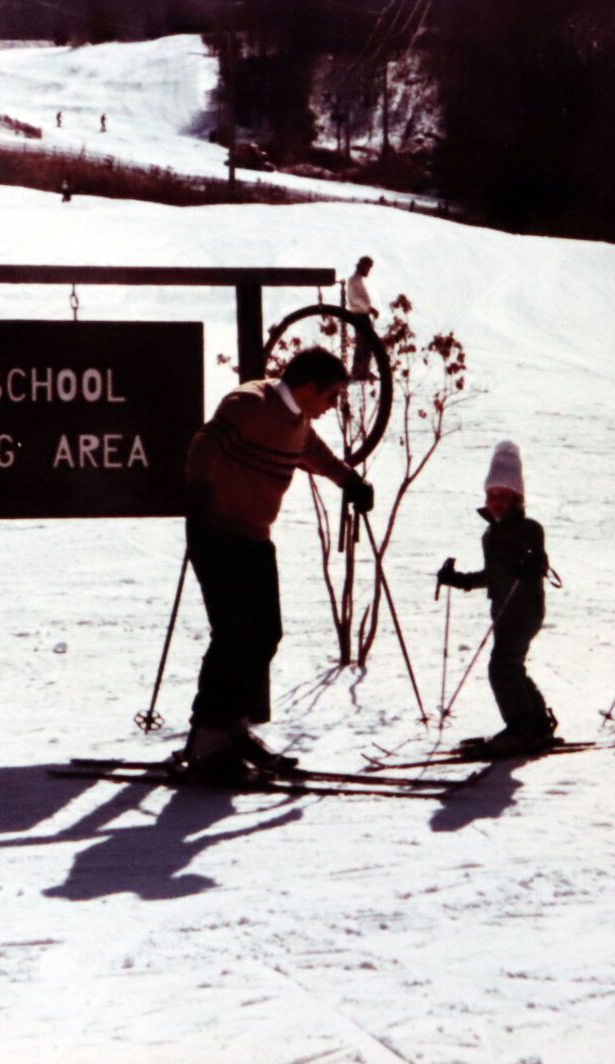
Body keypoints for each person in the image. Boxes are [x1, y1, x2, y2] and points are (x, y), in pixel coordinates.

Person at [180, 347, 375, 781]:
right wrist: (198, 485)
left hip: (254, 537)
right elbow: (205, 443)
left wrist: (351, 481)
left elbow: (316, 454)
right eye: (331, 395)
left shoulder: (297, 420)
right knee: (233, 635)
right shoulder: (251, 403)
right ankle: (208, 743)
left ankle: (232, 729)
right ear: (308, 387)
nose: (333, 405)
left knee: (265, 634)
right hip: (217, 532)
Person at [436, 441, 556, 757]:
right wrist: (458, 580)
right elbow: (493, 575)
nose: (495, 502)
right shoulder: (491, 535)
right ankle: (537, 725)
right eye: (491, 495)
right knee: (511, 667)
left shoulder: (529, 528)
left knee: (502, 667)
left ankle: (521, 729)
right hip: (503, 612)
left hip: (525, 611)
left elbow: (538, 559)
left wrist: (533, 564)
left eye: (503, 496)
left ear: (517, 498)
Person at [347, 255, 379, 381]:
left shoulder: (357, 280)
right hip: (359, 315)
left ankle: (363, 370)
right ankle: (359, 371)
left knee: (365, 343)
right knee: (364, 342)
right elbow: (355, 299)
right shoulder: (354, 281)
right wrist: (369, 308)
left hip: (362, 314)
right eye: (367, 268)